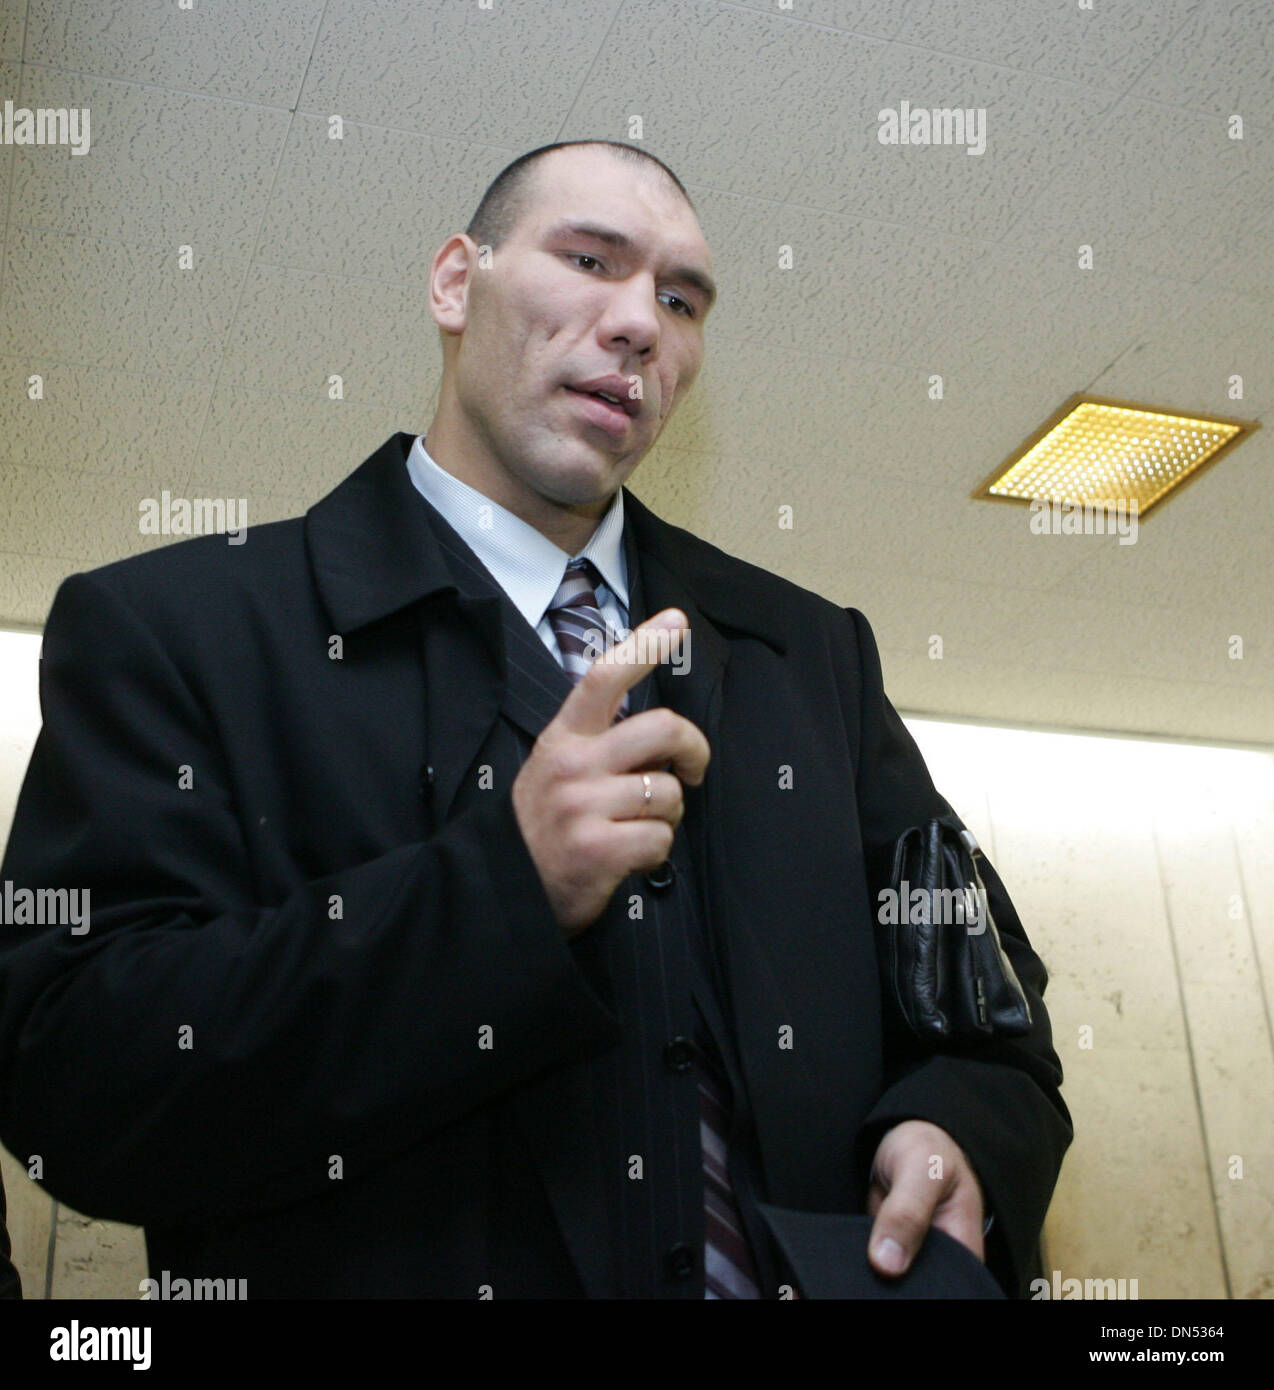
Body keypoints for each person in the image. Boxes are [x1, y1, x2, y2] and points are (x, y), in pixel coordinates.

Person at [0, 140, 1071, 1299]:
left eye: (679, 298)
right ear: (456, 283)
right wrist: (498, 892)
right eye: (589, 261)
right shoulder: (179, 629)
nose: (639, 325)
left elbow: (980, 1007)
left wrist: (955, 1128)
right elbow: (76, 1079)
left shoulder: (809, 656)